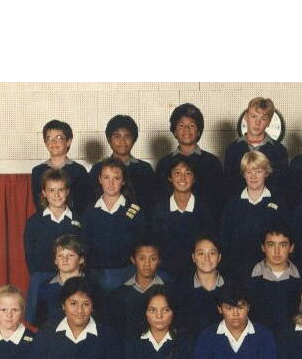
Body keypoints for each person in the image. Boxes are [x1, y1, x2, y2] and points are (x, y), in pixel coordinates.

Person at [23, 168, 82, 324]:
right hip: (43, 277)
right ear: (44, 192)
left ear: (67, 191)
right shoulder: (34, 221)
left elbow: (83, 250)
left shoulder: (78, 220)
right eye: (51, 190)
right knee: (42, 321)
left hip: (72, 278)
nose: (57, 195)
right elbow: (29, 254)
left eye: (61, 190)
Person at [81, 158, 148, 291]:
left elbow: (140, 244)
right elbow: (85, 244)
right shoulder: (90, 211)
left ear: (123, 181)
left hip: (126, 273)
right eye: (106, 178)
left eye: (116, 178)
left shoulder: (134, 211)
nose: (111, 183)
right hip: (96, 274)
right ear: (100, 179)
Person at [149, 154, 215, 282]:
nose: (182, 178)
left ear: (194, 178)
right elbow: (155, 247)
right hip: (166, 275)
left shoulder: (205, 210)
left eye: (188, 173)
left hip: (199, 275)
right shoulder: (159, 211)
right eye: (177, 173)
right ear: (170, 177)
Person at [154, 103, 224, 221]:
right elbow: (160, 200)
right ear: (175, 131)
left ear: (198, 131)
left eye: (191, 125)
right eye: (181, 125)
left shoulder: (213, 162)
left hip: (204, 223)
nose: (186, 129)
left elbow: (218, 201)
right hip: (171, 223)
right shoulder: (164, 163)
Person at [220, 150, 283, 278]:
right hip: (237, 272)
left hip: (270, 272)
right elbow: (224, 242)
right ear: (244, 174)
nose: (253, 176)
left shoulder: (278, 203)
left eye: (258, 171)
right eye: (249, 172)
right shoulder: (232, 204)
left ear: (266, 173)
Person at [223, 97, 289, 200]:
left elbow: (282, 189)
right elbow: (228, 187)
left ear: (269, 122)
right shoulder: (232, 149)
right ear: (246, 117)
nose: (257, 123)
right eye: (254, 116)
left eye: (263, 119)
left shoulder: (279, 151)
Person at [90, 114, 157, 206]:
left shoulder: (145, 169)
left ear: (134, 140)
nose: (122, 141)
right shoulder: (98, 168)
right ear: (109, 139)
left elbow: (151, 202)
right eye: (117, 136)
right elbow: (92, 202)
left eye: (127, 137)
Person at [245, 225, 301, 331]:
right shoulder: (248, 279)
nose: (277, 251)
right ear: (263, 247)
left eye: (283, 245)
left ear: (291, 248)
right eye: (271, 245)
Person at [172, 234, 230, 336]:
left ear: (219, 257)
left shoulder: (232, 286)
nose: (207, 258)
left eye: (212, 253)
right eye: (201, 253)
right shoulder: (179, 289)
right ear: (193, 257)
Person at [107, 239, 165, 338]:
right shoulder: (118, 294)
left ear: (159, 261)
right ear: (133, 260)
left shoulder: (169, 291)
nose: (147, 264)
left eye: (153, 259)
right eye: (142, 258)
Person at [30, 119, 91, 209]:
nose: (53, 142)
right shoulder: (37, 171)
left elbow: (83, 203)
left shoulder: (79, 170)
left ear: (68, 141)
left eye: (58, 137)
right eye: (49, 138)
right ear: (45, 143)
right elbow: (39, 203)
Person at [33, 234, 89, 326]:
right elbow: (40, 322)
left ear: (81, 260)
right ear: (55, 260)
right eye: (60, 256)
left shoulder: (92, 286)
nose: (64, 259)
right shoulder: (45, 287)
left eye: (70, 255)